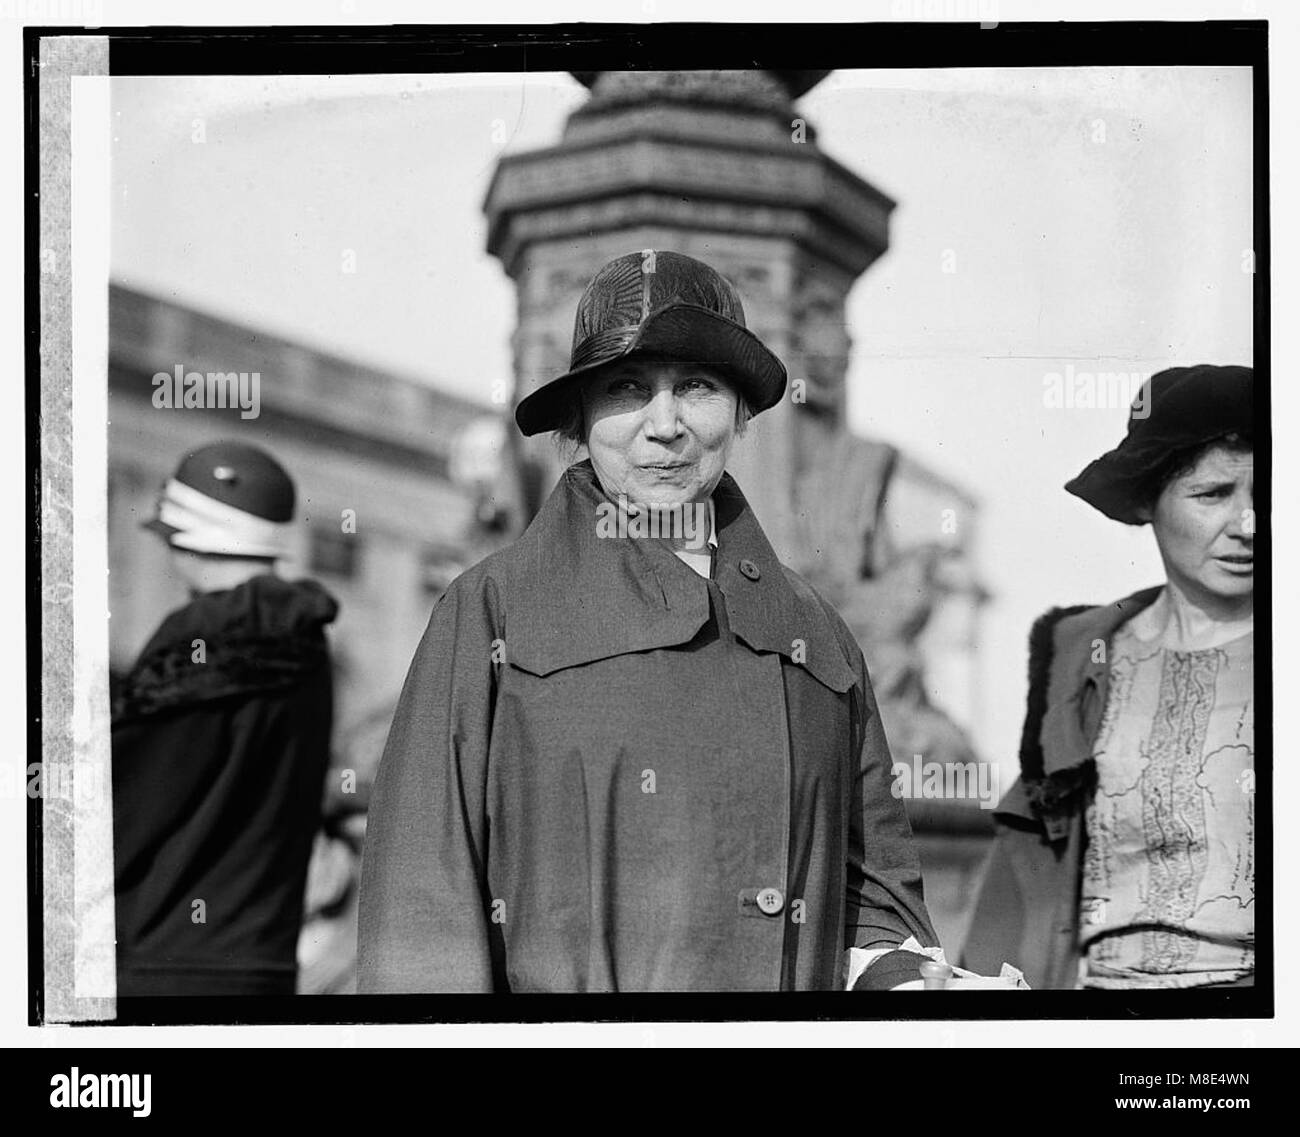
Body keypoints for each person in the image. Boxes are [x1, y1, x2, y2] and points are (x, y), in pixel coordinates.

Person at [358, 249, 937, 993]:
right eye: (627, 388)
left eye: (697, 387)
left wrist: (908, 981)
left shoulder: (817, 633)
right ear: (581, 417)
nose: (664, 426)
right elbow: (421, 916)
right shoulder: (489, 612)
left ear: (740, 412)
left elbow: (876, 902)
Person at [964, 365, 1255, 989]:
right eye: (1213, 494)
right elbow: (1030, 858)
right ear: (1147, 500)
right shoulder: (1084, 659)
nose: (1250, 524)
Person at [112, 441, 338, 996]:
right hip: (265, 965)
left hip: (163, 963)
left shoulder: (198, 633)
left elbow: (121, 810)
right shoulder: (311, 643)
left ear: (192, 540)